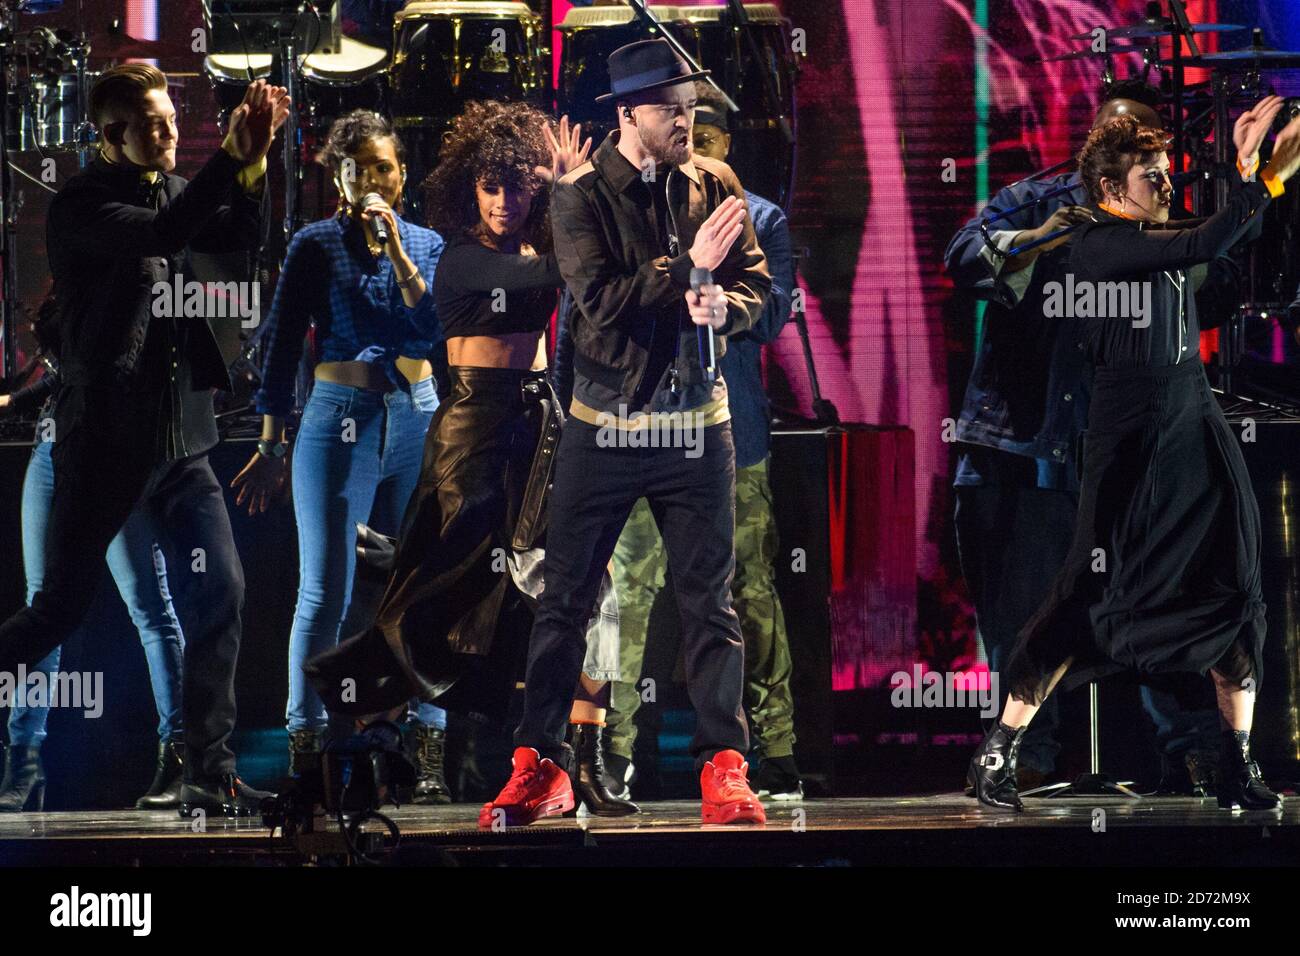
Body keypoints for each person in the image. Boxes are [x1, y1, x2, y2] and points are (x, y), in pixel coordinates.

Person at [303, 101, 637, 816]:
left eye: (518, 186)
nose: (504, 202)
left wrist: (575, 191)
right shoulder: (460, 261)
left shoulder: (541, 243)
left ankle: (586, 760)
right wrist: (578, 200)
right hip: (473, 433)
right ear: (469, 189)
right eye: (491, 186)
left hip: (541, 426)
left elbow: (577, 270)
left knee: (587, 584)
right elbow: (558, 275)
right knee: (446, 596)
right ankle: (359, 732)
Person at [944, 81, 1273, 795]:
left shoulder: (1164, 228)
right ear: (1104, 165)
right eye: (1143, 161)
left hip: (1189, 428)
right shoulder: (1077, 228)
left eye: (1162, 156)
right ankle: (1010, 750)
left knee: (1233, 584)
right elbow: (966, 256)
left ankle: (1225, 756)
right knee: (1080, 597)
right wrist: (1256, 177)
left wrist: (1267, 190)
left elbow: (1215, 266)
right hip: (1073, 439)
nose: (1162, 175)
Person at [480, 39, 772, 827]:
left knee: (710, 603)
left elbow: (757, 286)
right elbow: (602, 301)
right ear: (628, 115)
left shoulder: (713, 183)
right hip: (602, 428)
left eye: (692, 109)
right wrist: (686, 274)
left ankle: (724, 768)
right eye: (672, 111)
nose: (687, 122)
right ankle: (540, 766)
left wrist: (728, 307)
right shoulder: (578, 197)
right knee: (564, 602)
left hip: (694, 429)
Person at [0, 65, 289, 816]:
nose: (169, 136)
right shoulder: (83, 207)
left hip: (180, 447)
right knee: (57, 610)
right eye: (154, 126)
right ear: (111, 135)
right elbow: (164, 234)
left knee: (221, 590)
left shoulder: (170, 194)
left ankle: (208, 769)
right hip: (103, 444)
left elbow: (233, 247)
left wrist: (253, 166)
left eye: (170, 121)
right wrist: (228, 157)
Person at [589, 80, 802, 801]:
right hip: (641, 429)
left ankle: (770, 751)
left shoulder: (757, 217)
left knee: (747, 592)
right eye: (676, 129)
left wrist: (719, 300)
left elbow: (772, 312)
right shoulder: (626, 208)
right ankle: (614, 753)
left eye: (700, 133)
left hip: (729, 432)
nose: (689, 147)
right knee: (630, 594)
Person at [230, 109, 451, 802]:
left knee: (421, 584)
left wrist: (399, 254)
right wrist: (270, 440)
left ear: (402, 175)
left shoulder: (426, 242)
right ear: (338, 178)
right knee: (325, 589)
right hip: (339, 416)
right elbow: (280, 345)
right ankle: (308, 745)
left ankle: (425, 746)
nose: (372, 180)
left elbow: (432, 328)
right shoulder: (315, 244)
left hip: (416, 415)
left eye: (383, 167)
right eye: (357, 169)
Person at [0, 339, 186, 812]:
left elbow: (106, 362)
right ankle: (23, 761)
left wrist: (14, 400)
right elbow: (65, 364)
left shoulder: (134, 274)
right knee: (42, 606)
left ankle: (182, 753)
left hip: (114, 451)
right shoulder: (74, 278)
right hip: (53, 444)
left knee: (148, 605)